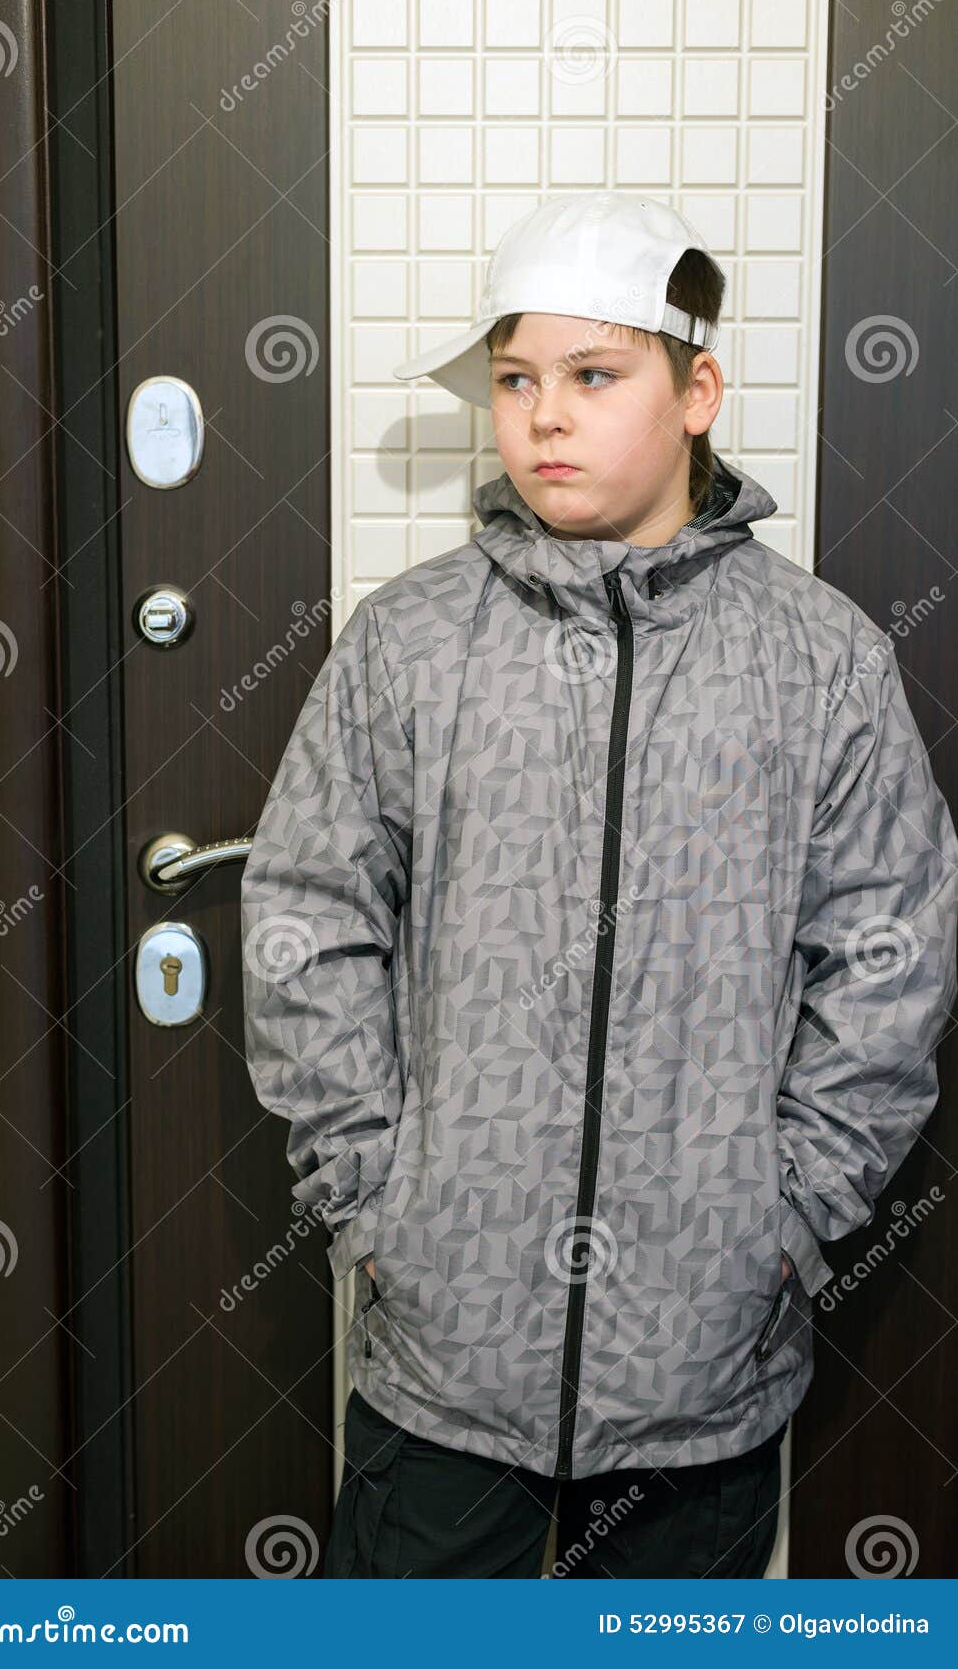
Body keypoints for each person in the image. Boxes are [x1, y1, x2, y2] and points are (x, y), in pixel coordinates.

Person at [239, 192, 958, 1578]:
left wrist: (785, 1212)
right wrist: (371, 1199)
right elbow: (307, 917)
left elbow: (889, 953)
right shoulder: (409, 645)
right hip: (445, 1364)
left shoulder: (817, 659)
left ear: (695, 391)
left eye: (592, 376)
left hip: (704, 1371)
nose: (543, 417)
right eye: (514, 380)